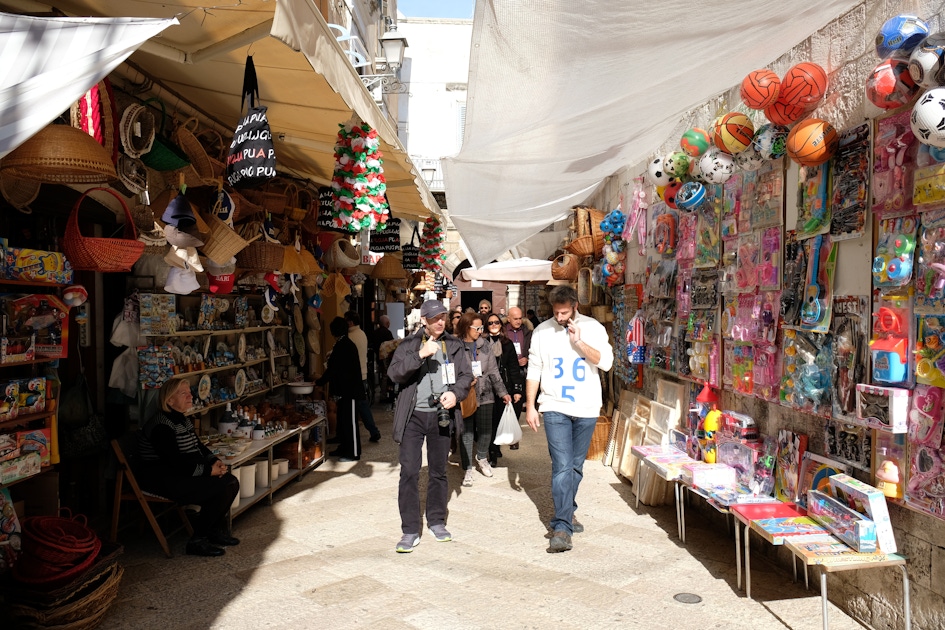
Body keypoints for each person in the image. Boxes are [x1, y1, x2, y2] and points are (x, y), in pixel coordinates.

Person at [524, 285, 613, 553]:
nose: (560, 317)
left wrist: (579, 342)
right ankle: (562, 527)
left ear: (575, 306)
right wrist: (530, 406)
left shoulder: (593, 328)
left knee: (575, 467)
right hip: (554, 406)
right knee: (562, 465)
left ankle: (568, 510)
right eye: (556, 312)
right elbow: (534, 369)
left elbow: (606, 363)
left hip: (586, 407)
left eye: (564, 312)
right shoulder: (541, 332)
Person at [388, 299, 473, 553]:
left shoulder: (454, 345)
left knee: (438, 471)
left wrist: (455, 394)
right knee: (410, 472)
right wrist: (420, 355)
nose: (440, 322)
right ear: (423, 319)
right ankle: (410, 530)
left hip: (441, 415)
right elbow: (394, 374)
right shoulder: (408, 345)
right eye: (435, 318)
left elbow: (466, 376)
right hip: (412, 417)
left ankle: (436, 521)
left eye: (443, 317)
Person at [138, 379, 240, 557]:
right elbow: (175, 463)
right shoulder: (161, 425)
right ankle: (197, 540)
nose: (190, 396)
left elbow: (199, 446)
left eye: (189, 392)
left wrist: (214, 461)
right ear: (169, 400)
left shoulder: (181, 419)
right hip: (163, 478)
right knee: (218, 486)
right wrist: (209, 471)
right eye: (183, 393)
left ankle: (211, 531)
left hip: (181, 473)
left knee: (230, 482)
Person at [454, 312, 511, 486]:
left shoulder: (485, 345)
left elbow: (493, 371)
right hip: (465, 395)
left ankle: (481, 457)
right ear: (466, 327)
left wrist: (503, 392)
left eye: (481, 327)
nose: (480, 331)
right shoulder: (455, 346)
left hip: (486, 393)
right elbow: (450, 371)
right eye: (476, 328)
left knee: (486, 430)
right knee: (466, 432)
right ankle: (468, 468)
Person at [316, 317, 365, 462]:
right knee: (343, 421)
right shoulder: (343, 344)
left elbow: (333, 369)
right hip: (345, 391)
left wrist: (320, 381)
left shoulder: (344, 345)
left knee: (350, 422)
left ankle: (353, 452)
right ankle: (344, 448)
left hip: (350, 391)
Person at [484, 312, 524, 466]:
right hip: (486, 387)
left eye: (497, 322)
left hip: (503, 387)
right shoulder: (482, 343)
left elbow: (514, 367)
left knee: (499, 419)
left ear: (501, 325)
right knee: (489, 421)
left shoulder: (507, 344)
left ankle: (495, 448)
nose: (494, 325)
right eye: (490, 323)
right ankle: (491, 451)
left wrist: (517, 390)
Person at [344, 311, 382, 442]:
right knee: (362, 405)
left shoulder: (350, 336)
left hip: (354, 376)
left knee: (358, 406)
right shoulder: (362, 334)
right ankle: (373, 430)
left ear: (350, 322)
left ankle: (371, 431)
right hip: (363, 373)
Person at [504, 306, 532, 449]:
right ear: (508, 318)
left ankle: (514, 438)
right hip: (506, 372)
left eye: (520, 318)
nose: (518, 321)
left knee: (517, 403)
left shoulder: (528, 333)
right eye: (515, 318)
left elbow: (533, 350)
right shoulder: (503, 332)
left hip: (522, 371)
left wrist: (526, 358)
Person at [370, 314, 394, 402]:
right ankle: (383, 395)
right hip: (386, 358)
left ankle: (381, 392)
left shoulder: (375, 333)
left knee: (381, 375)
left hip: (377, 357)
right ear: (387, 323)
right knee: (385, 376)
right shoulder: (387, 333)